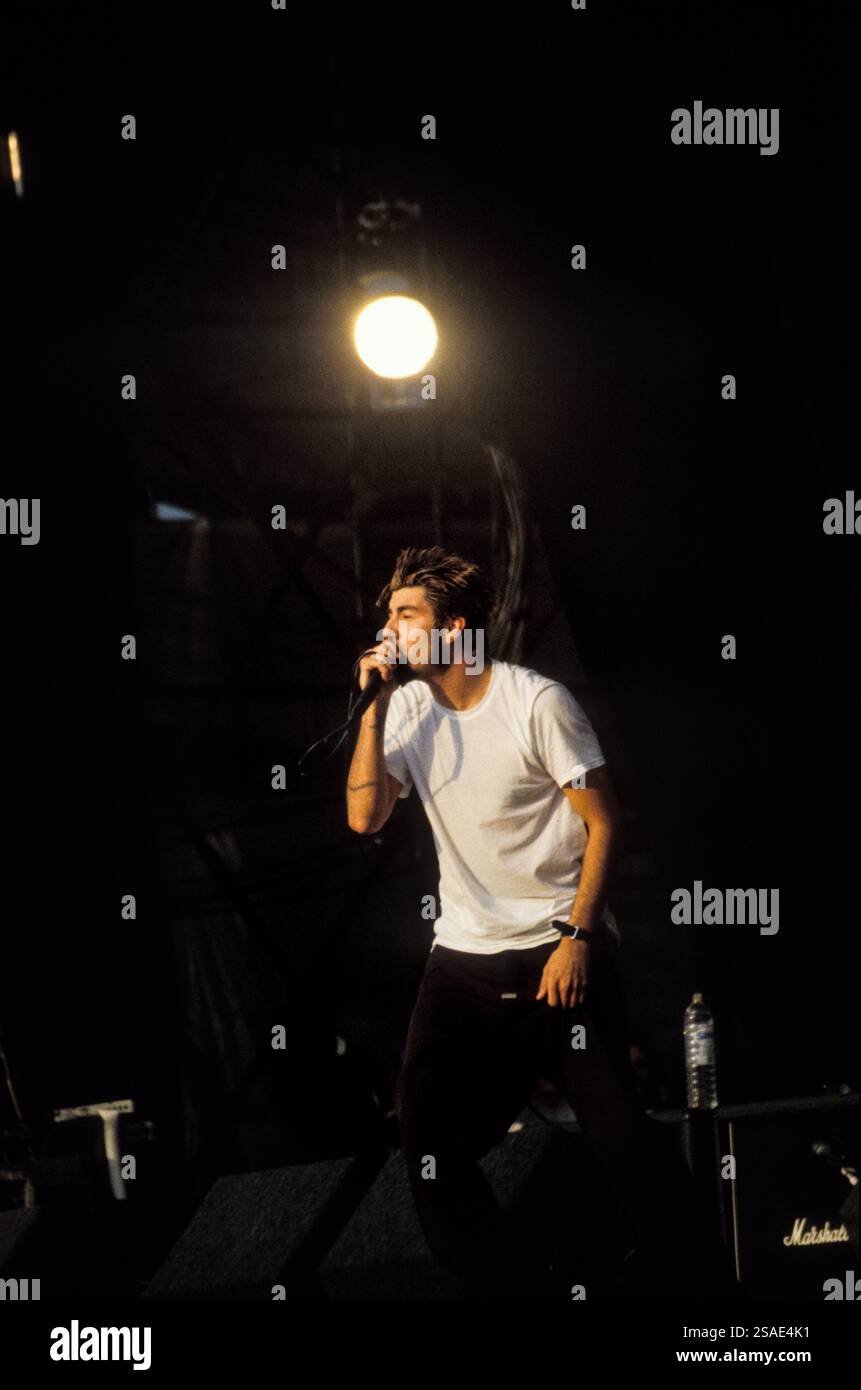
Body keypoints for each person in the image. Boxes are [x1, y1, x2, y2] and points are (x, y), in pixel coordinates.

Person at [346, 545, 733, 1300]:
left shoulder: (534, 701)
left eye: (404, 615)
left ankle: (715, 1308)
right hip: (463, 958)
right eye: (386, 614)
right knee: (426, 1138)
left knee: (619, 1140)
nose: (385, 627)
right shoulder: (409, 710)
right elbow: (363, 815)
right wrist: (373, 707)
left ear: (454, 628)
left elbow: (606, 824)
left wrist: (578, 938)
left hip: (560, 946)